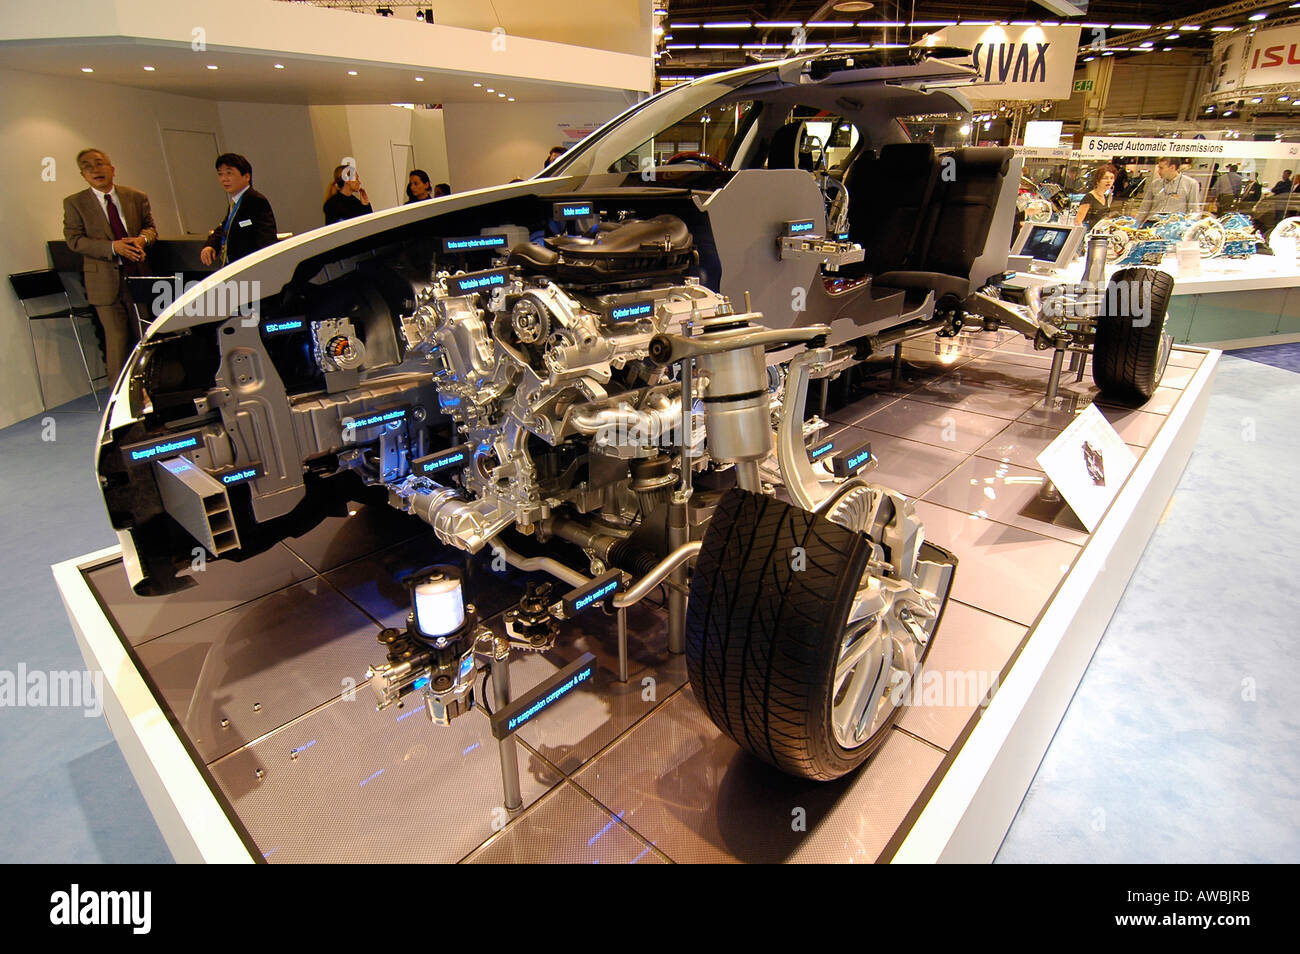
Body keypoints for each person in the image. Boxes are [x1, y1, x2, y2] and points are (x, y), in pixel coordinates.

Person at [62, 148, 157, 384]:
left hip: (138, 277)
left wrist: (142, 239)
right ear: (83, 175)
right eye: (88, 166)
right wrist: (113, 248)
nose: (95, 170)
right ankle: (119, 403)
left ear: (112, 168)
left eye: (99, 163)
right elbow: (74, 240)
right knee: (117, 340)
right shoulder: (75, 203)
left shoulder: (136, 196)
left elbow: (150, 228)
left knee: (145, 337)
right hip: (103, 282)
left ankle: (149, 391)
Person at [199, 153, 278, 267]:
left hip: (249, 269)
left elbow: (266, 239)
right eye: (220, 174)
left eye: (229, 173)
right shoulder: (236, 202)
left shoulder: (255, 201)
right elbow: (225, 228)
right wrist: (210, 245)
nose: (224, 179)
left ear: (246, 176)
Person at [1136, 157, 1201, 222]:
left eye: (1161, 168)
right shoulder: (1155, 184)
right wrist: (1135, 225)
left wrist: (1188, 227)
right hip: (1152, 222)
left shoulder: (1191, 184)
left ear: (1172, 167)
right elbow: (1144, 207)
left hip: (1173, 225)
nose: (1158, 171)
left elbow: (1194, 211)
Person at [1075, 164, 1117, 229]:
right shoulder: (1089, 197)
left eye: (1111, 178)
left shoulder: (1105, 197)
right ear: (1098, 180)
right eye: (1105, 178)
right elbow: (1078, 221)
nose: (1109, 181)